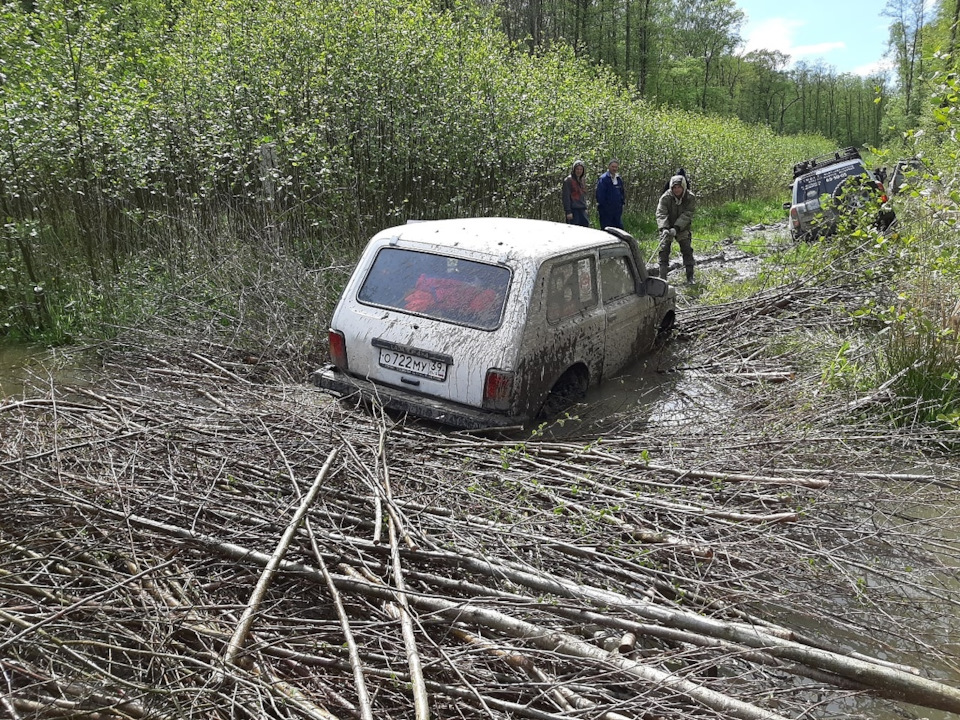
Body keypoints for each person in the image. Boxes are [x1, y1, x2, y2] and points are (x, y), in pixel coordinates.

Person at [656, 173, 697, 283]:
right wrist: (664, 228)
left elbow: (688, 214)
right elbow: (661, 213)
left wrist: (677, 228)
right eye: (674, 187)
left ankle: (690, 277)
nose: (677, 189)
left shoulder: (690, 197)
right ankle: (662, 278)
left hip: (682, 228)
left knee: (687, 249)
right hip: (667, 227)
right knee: (664, 250)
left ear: (683, 187)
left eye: (679, 187)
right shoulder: (665, 197)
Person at [595, 159, 625, 230]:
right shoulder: (603, 178)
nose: (614, 169)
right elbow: (600, 195)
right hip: (606, 210)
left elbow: (622, 192)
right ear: (608, 167)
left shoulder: (618, 178)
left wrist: (622, 202)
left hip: (617, 209)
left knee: (619, 229)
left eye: (616, 167)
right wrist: (604, 207)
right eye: (612, 167)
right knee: (607, 229)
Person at [561, 160, 589, 227]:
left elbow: (583, 195)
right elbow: (566, 197)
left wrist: (585, 208)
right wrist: (568, 211)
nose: (579, 171)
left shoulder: (582, 180)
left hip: (582, 209)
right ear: (574, 170)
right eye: (577, 169)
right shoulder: (568, 180)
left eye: (581, 169)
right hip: (573, 210)